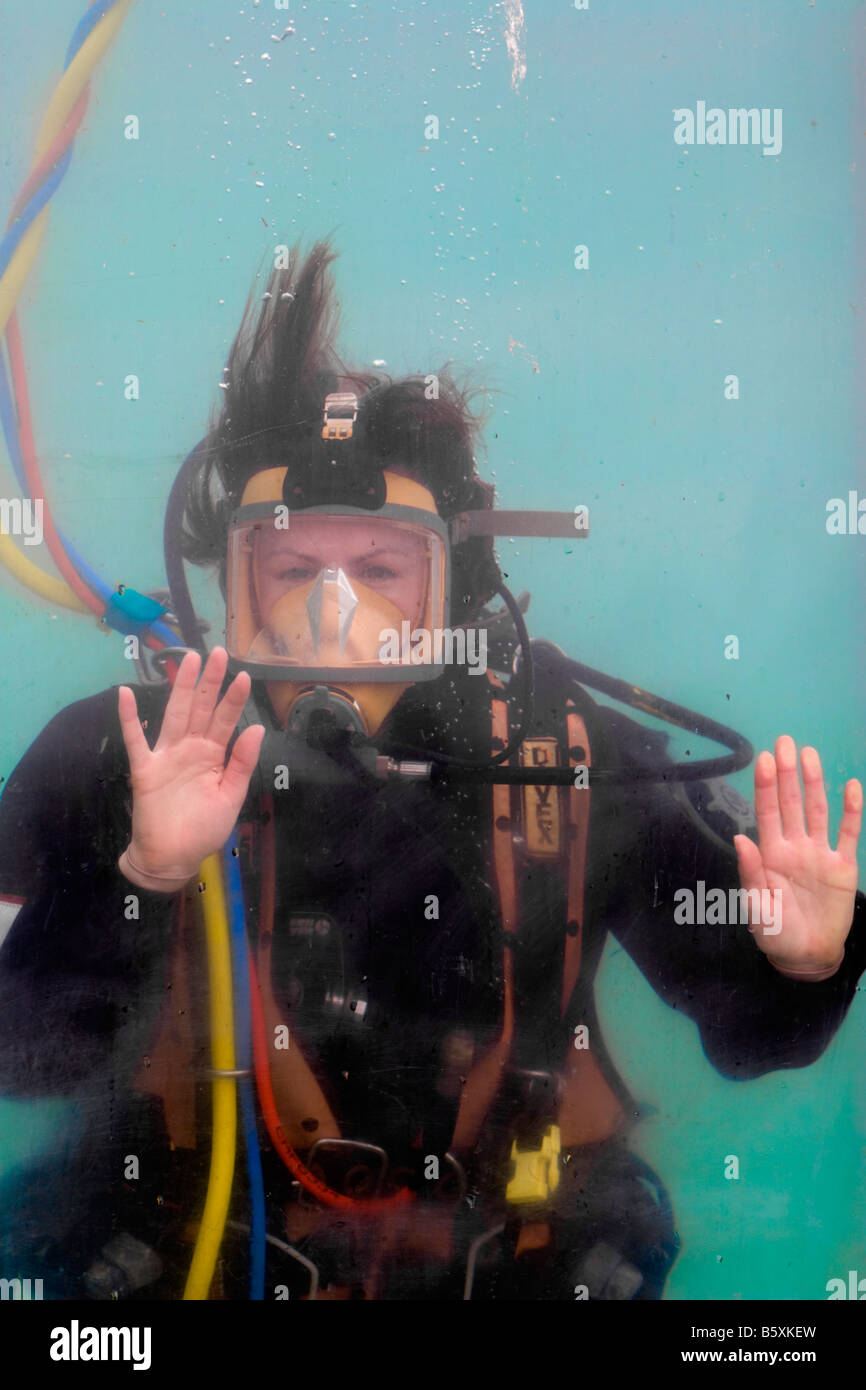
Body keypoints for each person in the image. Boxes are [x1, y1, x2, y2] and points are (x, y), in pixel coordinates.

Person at [0, 239, 863, 1302]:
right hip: (192, 1267)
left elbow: (749, 1042)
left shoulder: (562, 756)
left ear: (452, 586)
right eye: (286, 568)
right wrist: (142, 877)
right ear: (226, 586)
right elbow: (20, 1062)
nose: (331, 611)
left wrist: (802, 969)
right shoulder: (108, 753)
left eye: (379, 571)